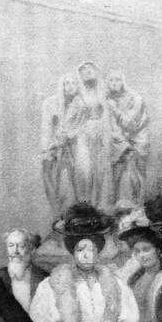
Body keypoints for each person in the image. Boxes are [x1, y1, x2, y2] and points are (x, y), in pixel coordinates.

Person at [71, 62, 114, 209]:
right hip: (85, 133)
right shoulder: (79, 96)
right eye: (84, 72)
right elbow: (73, 118)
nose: (87, 74)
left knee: (101, 169)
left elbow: (107, 113)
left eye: (90, 71)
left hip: (101, 132)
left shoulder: (103, 92)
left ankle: (100, 204)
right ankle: (86, 204)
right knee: (85, 169)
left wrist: (103, 129)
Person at [106, 69, 150, 204]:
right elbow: (109, 126)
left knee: (136, 176)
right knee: (116, 177)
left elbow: (130, 124)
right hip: (119, 143)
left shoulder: (136, 99)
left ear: (123, 82)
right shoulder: (108, 100)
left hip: (138, 142)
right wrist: (121, 140)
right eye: (111, 80)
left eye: (117, 80)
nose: (114, 83)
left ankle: (138, 205)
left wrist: (115, 109)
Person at [40, 74, 80, 219]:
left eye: (73, 83)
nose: (69, 86)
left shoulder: (79, 104)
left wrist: (67, 138)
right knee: (48, 175)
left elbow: (78, 128)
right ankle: (56, 213)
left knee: (71, 180)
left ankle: (71, 213)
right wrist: (49, 147)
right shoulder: (51, 103)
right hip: (52, 146)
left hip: (69, 148)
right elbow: (46, 128)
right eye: (66, 83)